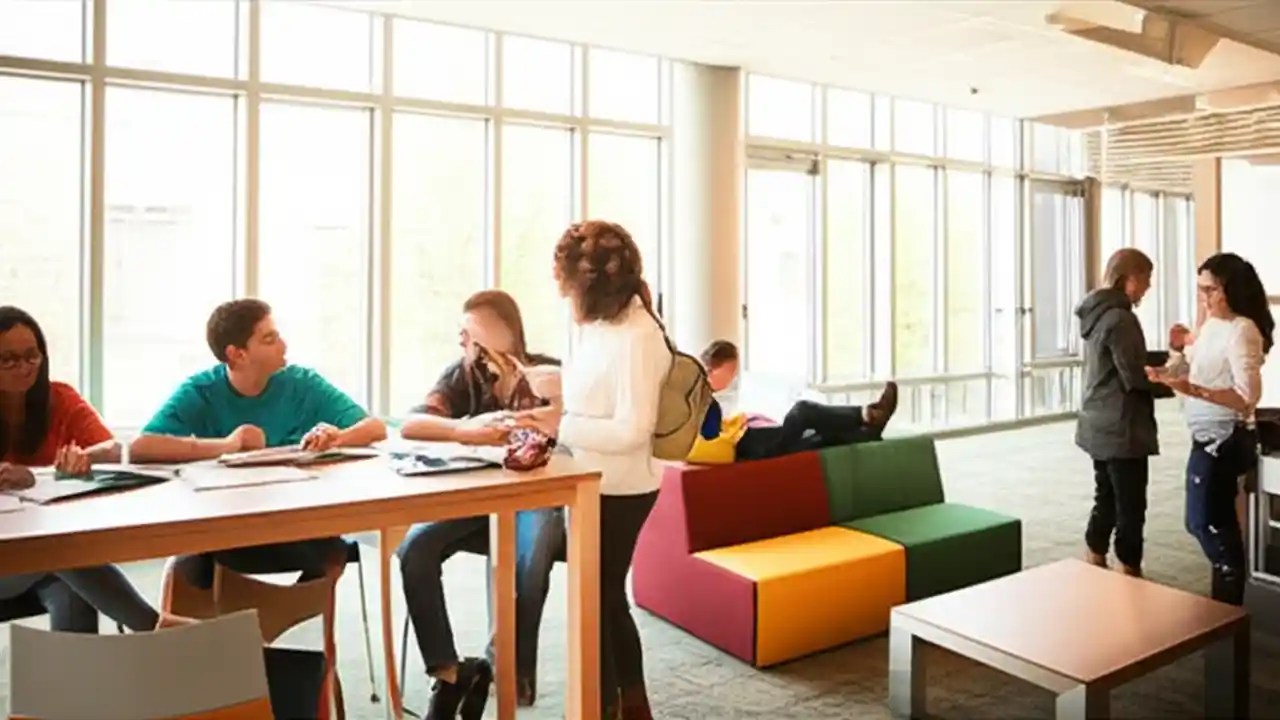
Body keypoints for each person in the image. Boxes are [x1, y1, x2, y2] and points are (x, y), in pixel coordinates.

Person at [509, 220, 668, 720]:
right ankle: (620, 703)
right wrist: (556, 390)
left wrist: (562, 425)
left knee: (601, 598)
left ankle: (617, 704)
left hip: (622, 486)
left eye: (565, 283)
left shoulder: (640, 336)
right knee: (599, 598)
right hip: (592, 480)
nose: (562, 294)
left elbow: (633, 428)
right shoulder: (606, 327)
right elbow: (596, 397)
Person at [131, 298, 386, 590]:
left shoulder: (302, 383)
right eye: (270, 339)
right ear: (237, 354)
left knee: (334, 550)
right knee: (192, 561)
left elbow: (375, 428)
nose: (284, 345)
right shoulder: (200, 391)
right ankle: (244, 627)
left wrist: (336, 437)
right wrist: (227, 445)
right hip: (226, 530)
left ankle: (258, 625)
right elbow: (142, 447)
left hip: (295, 527)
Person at [397, 289, 563, 716]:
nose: (461, 339)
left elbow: (576, 427)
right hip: (474, 499)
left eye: (468, 330)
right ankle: (449, 674)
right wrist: (466, 430)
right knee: (416, 547)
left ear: (500, 330)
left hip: (535, 498)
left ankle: (509, 670)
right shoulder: (463, 374)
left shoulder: (547, 375)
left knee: (533, 555)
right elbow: (412, 425)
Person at [0, 306, 165, 632]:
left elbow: (112, 449)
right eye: (8, 359)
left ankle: (85, 680)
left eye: (32, 356)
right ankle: (161, 634)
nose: (24, 367)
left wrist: (82, 459)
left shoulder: (59, 398)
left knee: (71, 584)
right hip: (9, 558)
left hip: (45, 553)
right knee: (66, 555)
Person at [1149, 252, 1274, 605]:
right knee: (1203, 521)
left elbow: (1246, 397)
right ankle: (1227, 593)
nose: (1204, 298)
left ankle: (1230, 596)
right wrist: (1170, 369)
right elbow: (1193, 370)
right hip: (1203, 436)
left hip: (1226, 438)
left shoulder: (1243, 330)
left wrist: (1195, 390)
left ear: (1229, 289)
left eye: (1210, 290)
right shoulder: (1210, 327)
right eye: (1200, 290)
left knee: (1206, 522)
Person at [1074, 249, 1158, 577]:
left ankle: (1094, 557)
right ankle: (1129, 570)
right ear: (1130, 277)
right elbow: (1134, 376)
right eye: (1147, 279)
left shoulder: (1097, 313)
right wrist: (1177, 381)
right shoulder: (1122, 318)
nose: (1148, 287)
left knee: (1106, 496)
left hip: (1097, 422)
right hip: (1123, 427)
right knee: (1131, 505)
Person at [692, 340, 898, 463]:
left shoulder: (703, 396)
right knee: (803, 411)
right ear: (713, 369)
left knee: (817, 438)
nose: (733, 378)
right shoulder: (697, 396)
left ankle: (869, 431)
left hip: (755, 440)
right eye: (731, 371)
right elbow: (709, 439)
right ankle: (868, 414)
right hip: (752, 447)